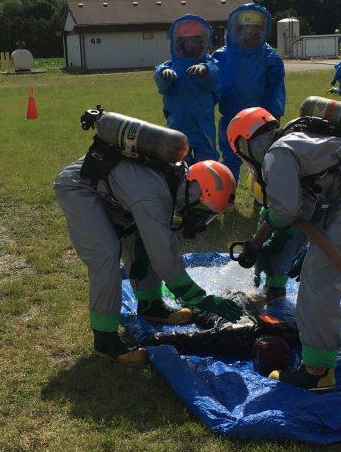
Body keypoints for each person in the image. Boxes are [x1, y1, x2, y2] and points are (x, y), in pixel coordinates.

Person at [226, 107, 341, 391]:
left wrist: (262, 239)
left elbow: (285, 210)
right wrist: (262, 242)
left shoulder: (277, 153)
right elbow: (307, 204)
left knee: (319, 278)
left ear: (244, 145)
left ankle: (318, 370)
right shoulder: (301, 138)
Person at [55, 146, 242, 364]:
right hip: (78, 188)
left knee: (139, 239)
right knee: (106, 253)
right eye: (204, 214)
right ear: (198, 194)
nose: (201, 222)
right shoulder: (154, 196)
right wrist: (199, 298)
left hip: (108, 191)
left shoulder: (175, 181)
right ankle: (105, 341)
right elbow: (163, 255)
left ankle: (150, 304)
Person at [212, 3, 285, 181]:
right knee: (230, 158)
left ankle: (263, 199)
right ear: (236, 29)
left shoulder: (270, 57)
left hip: (260, 120)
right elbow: (209, 84)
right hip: (231, 116)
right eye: (245, 28)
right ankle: (229, 196)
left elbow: (276, 88)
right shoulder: (221, 56)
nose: (249, 33)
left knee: (263, 158)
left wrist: (275, 115)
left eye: (255, 29)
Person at [154, 15, 220, 163]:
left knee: (207, 160)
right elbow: (161, 83)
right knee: (179, 162)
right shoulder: (169, 65)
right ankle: (182, 186)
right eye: (186, 40)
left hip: (202, 123)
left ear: (202, 41)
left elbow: (215, 78)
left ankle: (205, 186)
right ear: (178, 42)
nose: (190, 43)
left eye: (195, 40)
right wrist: (164, 74)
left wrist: (204, 69)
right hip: (177, 122)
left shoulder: (210, 63)